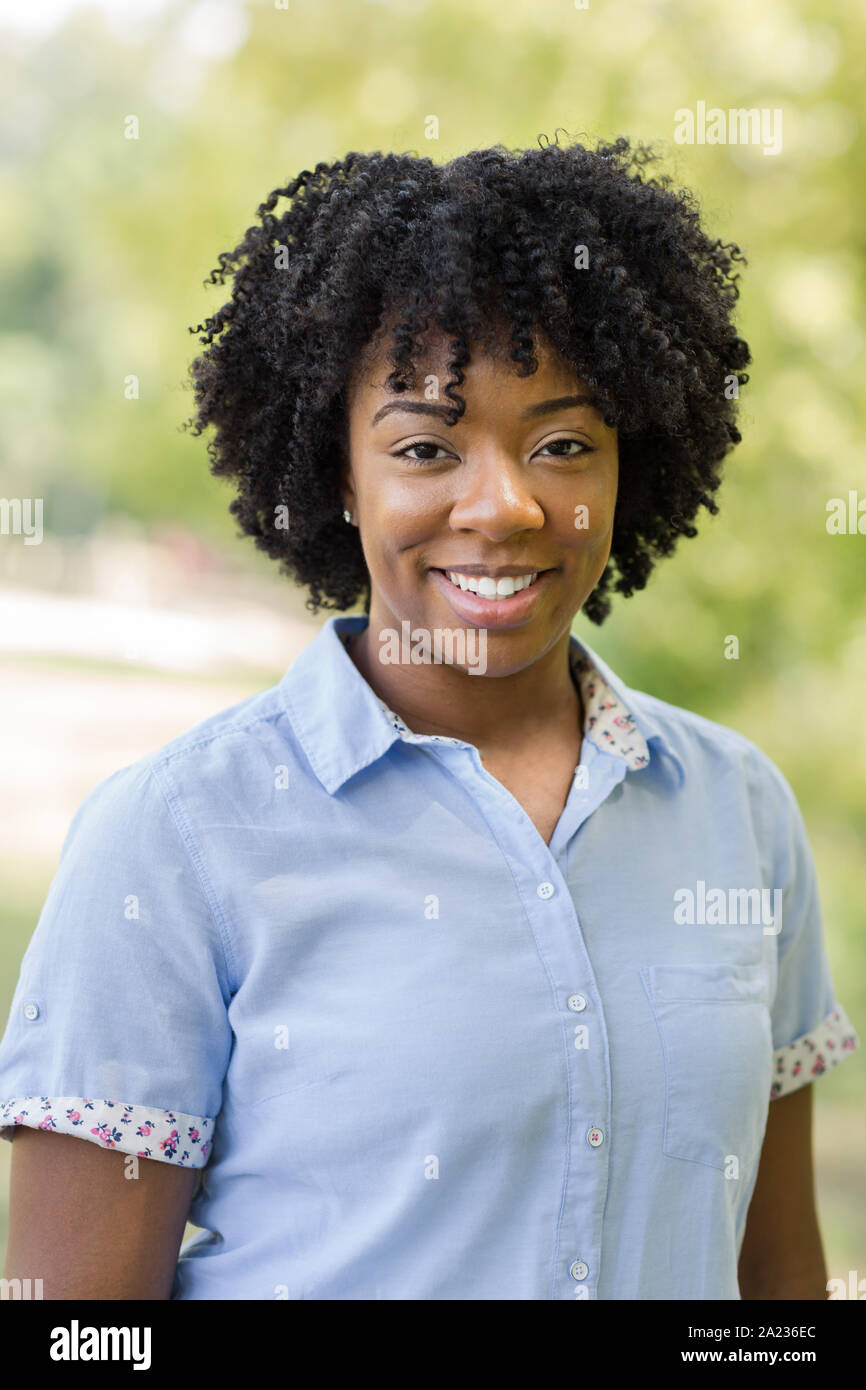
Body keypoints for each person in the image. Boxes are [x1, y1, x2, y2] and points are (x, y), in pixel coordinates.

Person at [0, 136, 858, 1301]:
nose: (503, 503)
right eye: (423, 446)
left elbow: (774, 1283)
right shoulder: (175, 838)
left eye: (562, 444)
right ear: (337, 471)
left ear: (626, 465)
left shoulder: (736, 808)